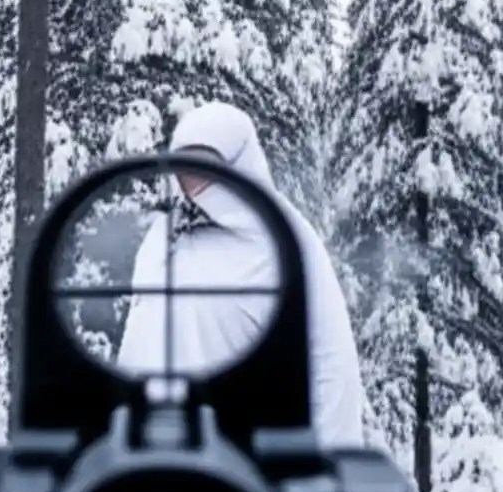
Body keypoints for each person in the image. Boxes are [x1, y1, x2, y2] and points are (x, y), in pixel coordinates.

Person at [116, 102, 365, 448]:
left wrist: (326, 464)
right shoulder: (162, 237)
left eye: (206, 162)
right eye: (185, 163)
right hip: (154, 461)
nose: (193, 177)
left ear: (239, 162)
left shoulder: (287, 243)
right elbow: (136, 340)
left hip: (252, 466)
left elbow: (330, 366)